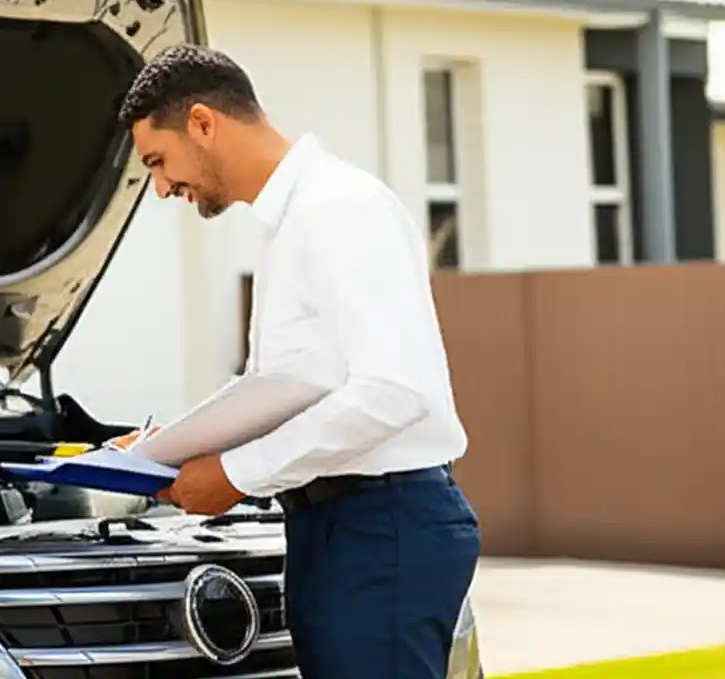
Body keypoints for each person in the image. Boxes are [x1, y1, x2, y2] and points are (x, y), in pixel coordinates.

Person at [114, 44, 481, 679]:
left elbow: (394, 391)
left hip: (380, 528)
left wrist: (236, 473)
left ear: (203, 123)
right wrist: (165, 448)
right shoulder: (294, 221)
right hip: (341, 528)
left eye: (158, 160)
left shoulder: (337, 208)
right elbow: (293, 386)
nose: (163, 186)